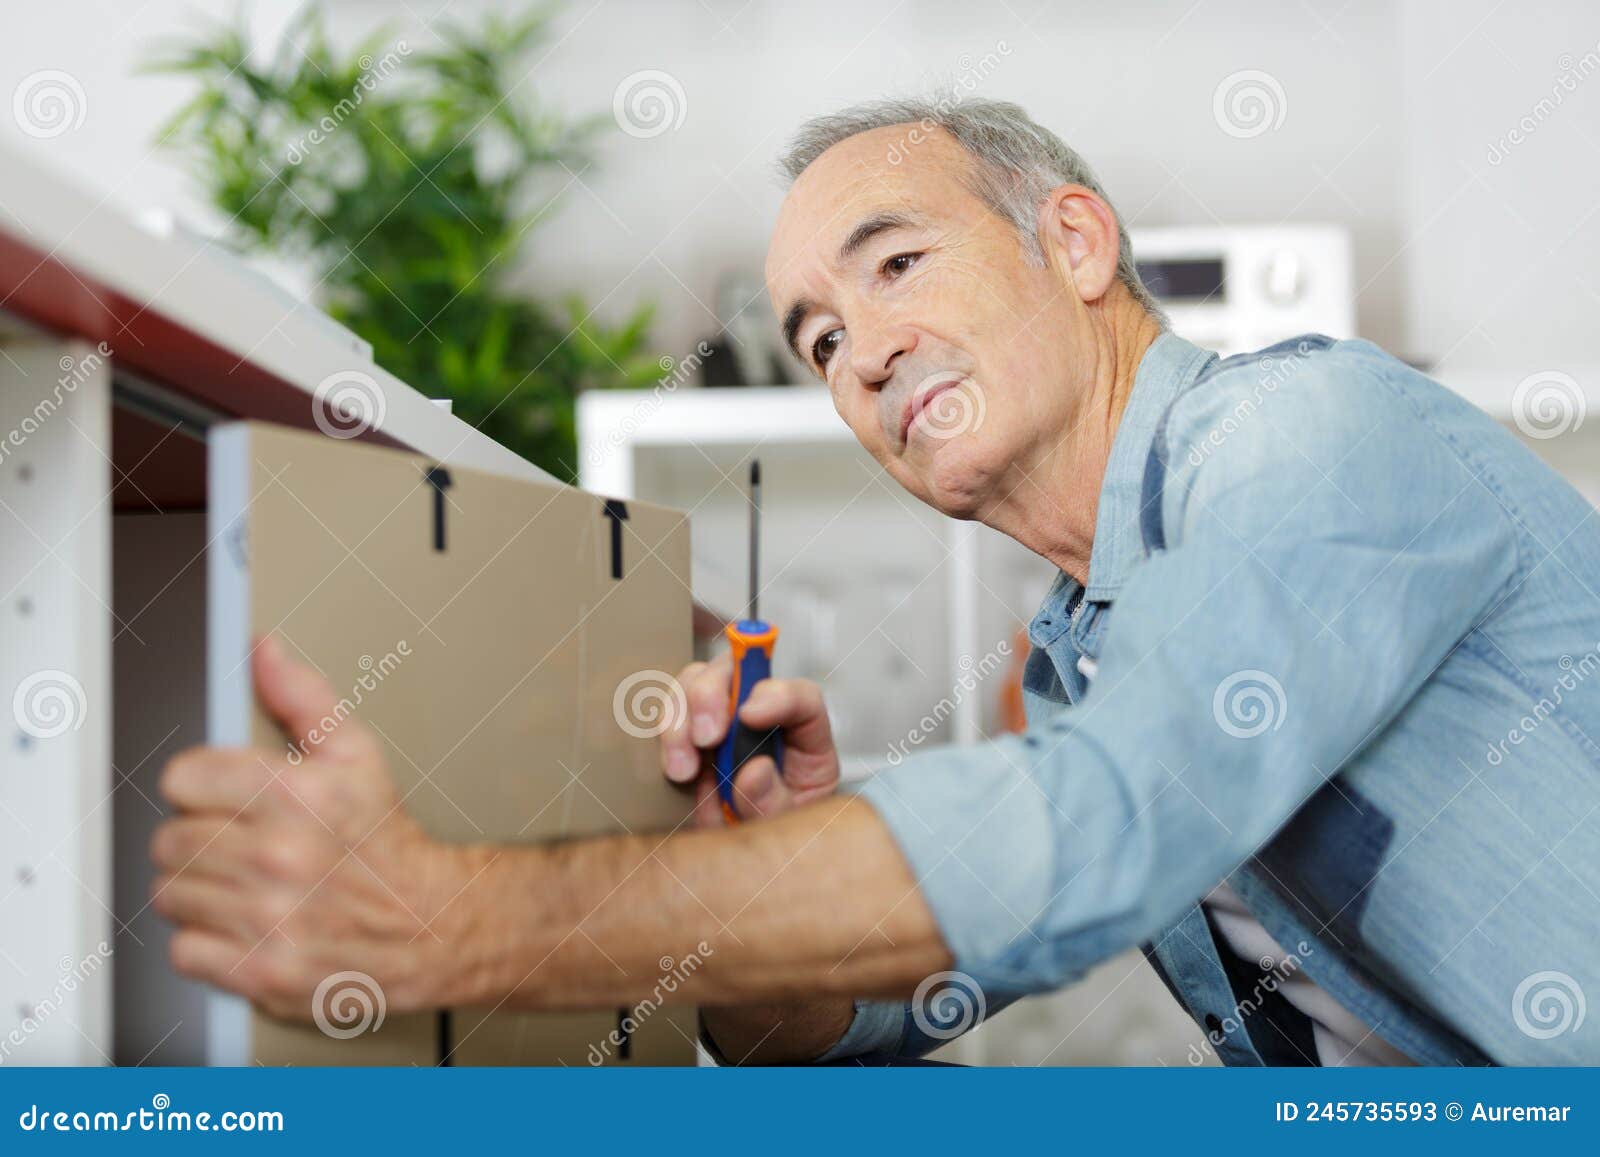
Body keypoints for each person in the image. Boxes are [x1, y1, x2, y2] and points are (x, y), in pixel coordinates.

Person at [151, 98, 1600, 1065]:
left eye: (898, 264)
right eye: (821, 341)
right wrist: (758, 852)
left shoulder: (1304, 433)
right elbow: (871, 1025)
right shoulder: (1076, 651)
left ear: (1077, 243)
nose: (868, 350)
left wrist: (453, 920)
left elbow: (1091, 832)